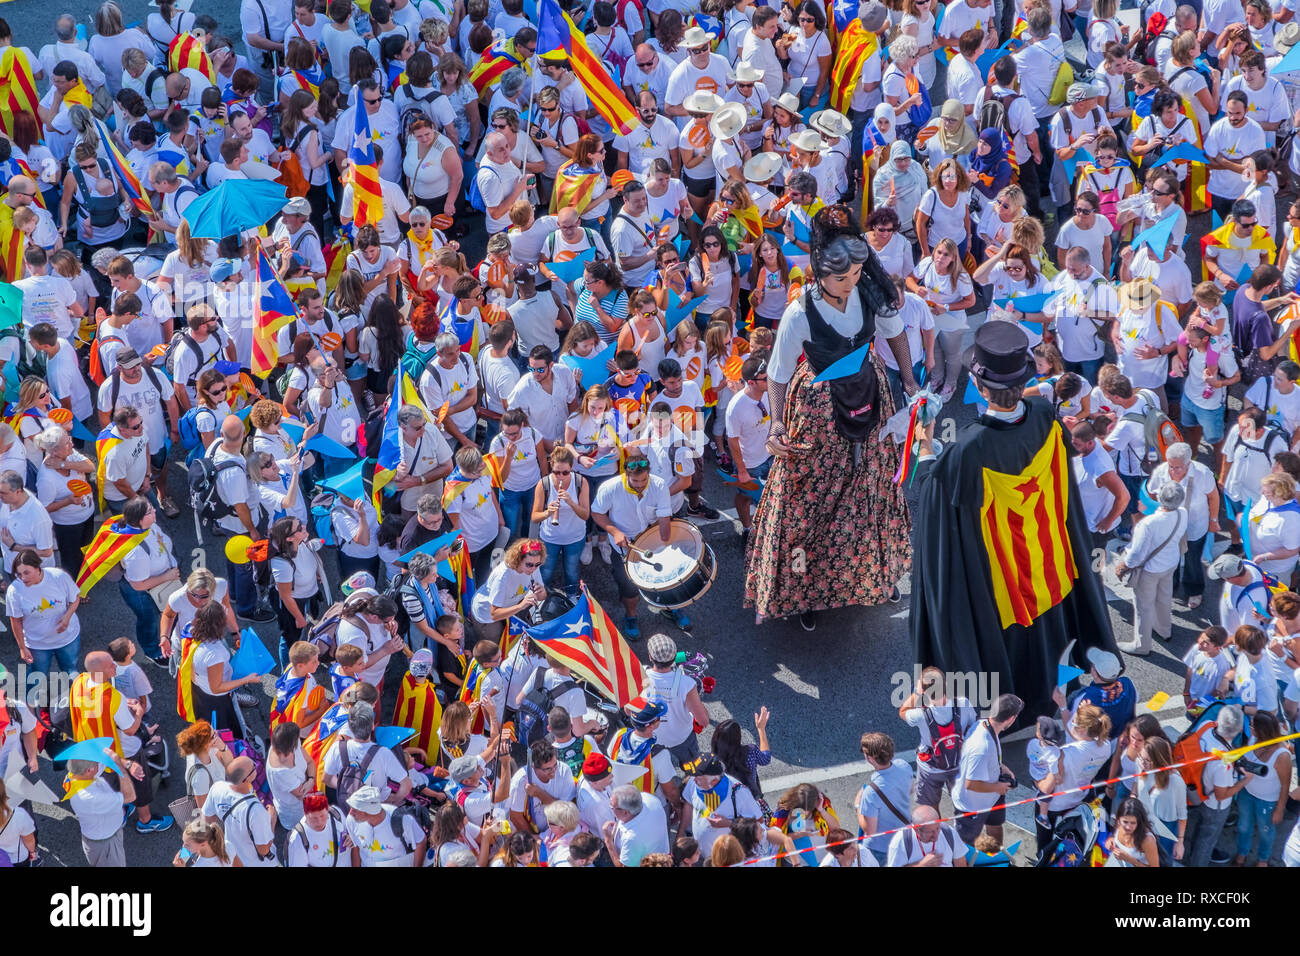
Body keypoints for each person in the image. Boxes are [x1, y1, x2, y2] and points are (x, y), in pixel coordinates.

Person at [911, 322, 1117, 719]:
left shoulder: (970, 447)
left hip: (1002, 582)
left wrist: (925, 443)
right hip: (1051, 565)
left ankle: (1010, 710)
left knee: (1011, 648)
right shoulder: (1044, 416)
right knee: (1056, 648)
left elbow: (932, 494)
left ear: (980, 387)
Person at [745, 206, 914, 631]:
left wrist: (909, 381)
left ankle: (877, 573)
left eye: (857, 273)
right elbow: (779, 376)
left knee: (872, 489)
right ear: (820, 273)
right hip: (818, 406)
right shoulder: (799, 313)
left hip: (869, 392)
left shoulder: (870, 291)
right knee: (809, 501)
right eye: (842, 277)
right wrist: (778, 425)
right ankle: (806, 593)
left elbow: (895, 333)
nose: (851, 283)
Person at [1113, 481, 1187, 655]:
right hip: (1170, 563)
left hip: (1150, 569)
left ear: (1160, 498)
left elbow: (1136, 554)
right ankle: (1164, 629)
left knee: (1143, 607)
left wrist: (1123, 566)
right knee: (1164, 597)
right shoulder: (1182, 513)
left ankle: (1141, 645)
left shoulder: (1147, 524)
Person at [602, 783, 670, 867]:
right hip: (662, 858)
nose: (610, 808)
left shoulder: (631, 838)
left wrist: (608, 842)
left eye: (612, 807)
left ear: (625, 812)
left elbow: (623, 866)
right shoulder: (650, 799)